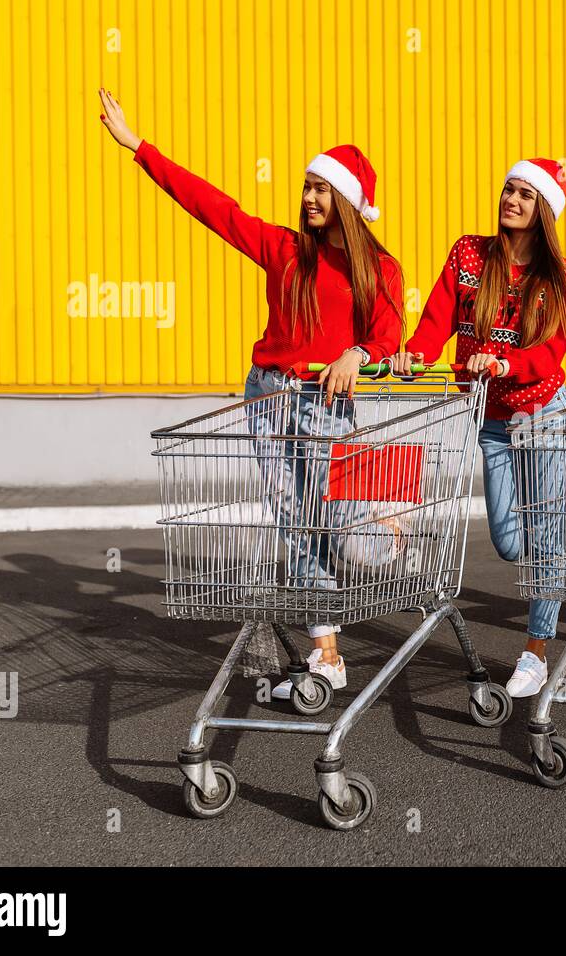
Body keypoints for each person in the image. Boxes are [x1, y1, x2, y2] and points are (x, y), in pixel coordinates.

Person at [98, 88, 404, 699]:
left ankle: (390, 530)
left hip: (327, 405)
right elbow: (213, 207)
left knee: (347, 532)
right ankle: (328, 656)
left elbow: (389, 336)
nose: (309, 198)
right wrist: (139, 148)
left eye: (321, 188)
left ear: (347, 199)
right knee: (294, 523)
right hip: (268, 398)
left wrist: (358, 352)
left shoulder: (379, 269)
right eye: (307, 187)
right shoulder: (283, 250)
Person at [390, 159, 566, 698]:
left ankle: (536, 651)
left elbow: (552, 352)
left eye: (523, 194)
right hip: (493, 420)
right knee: (507, 540)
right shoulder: (469, 253)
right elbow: (436, 319)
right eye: (507, 190)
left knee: (543, 542)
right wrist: (416, 355)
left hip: (542, 414)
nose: (511, 200)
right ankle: (558, 512)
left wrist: (503, 363)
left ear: (542, 208)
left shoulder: (556, 272)